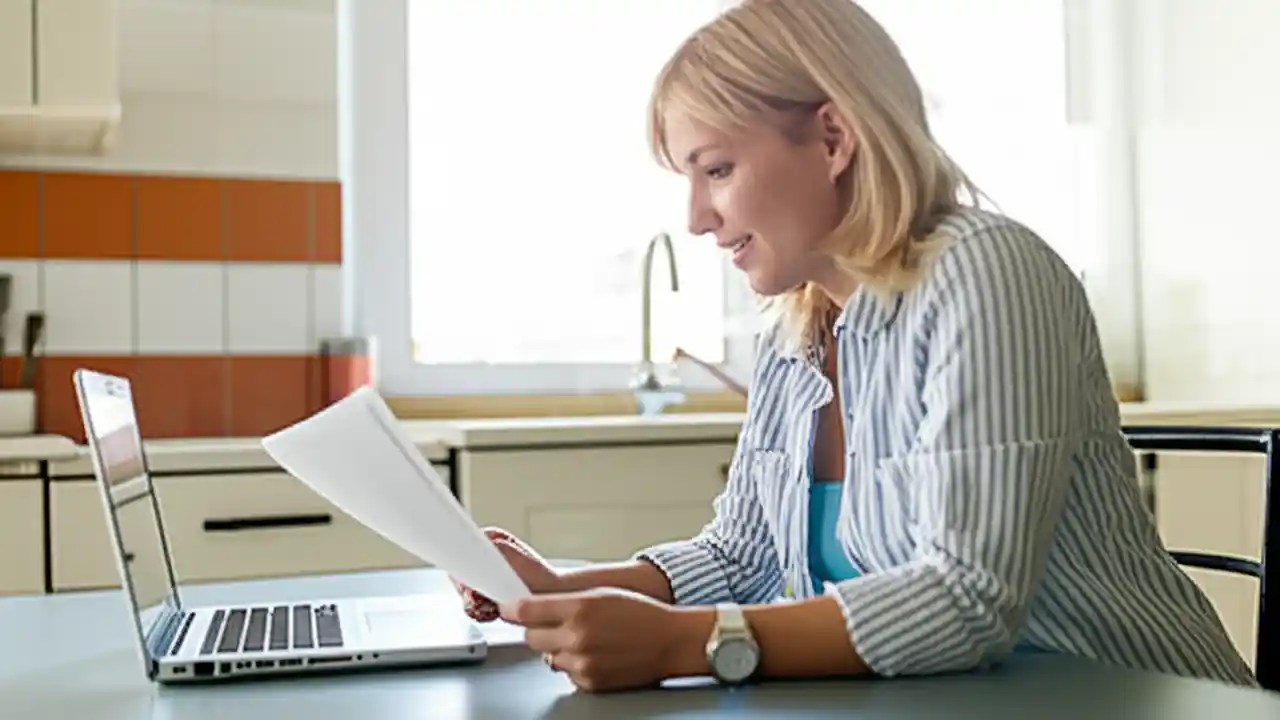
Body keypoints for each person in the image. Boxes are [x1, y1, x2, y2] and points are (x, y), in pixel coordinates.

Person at [451, 0, 1258, 693]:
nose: (696, 218)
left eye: (718, 170)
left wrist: (679, 644)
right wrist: (563, 588)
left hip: (1125, 697)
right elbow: (742, 557)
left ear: (834, 139)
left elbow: (965, 597)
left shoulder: (988, 273)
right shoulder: (796, 326)